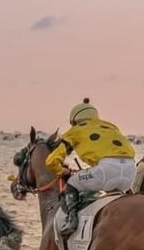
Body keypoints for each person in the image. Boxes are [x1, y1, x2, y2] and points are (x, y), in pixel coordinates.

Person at [44, 99, 136, 237]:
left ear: (74, 121)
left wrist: (63, 171)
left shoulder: (75, 131)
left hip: (106, 170)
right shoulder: (111, 126)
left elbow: (51, 161)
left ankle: (72, 220)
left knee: (72, 183)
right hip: (130, 171)